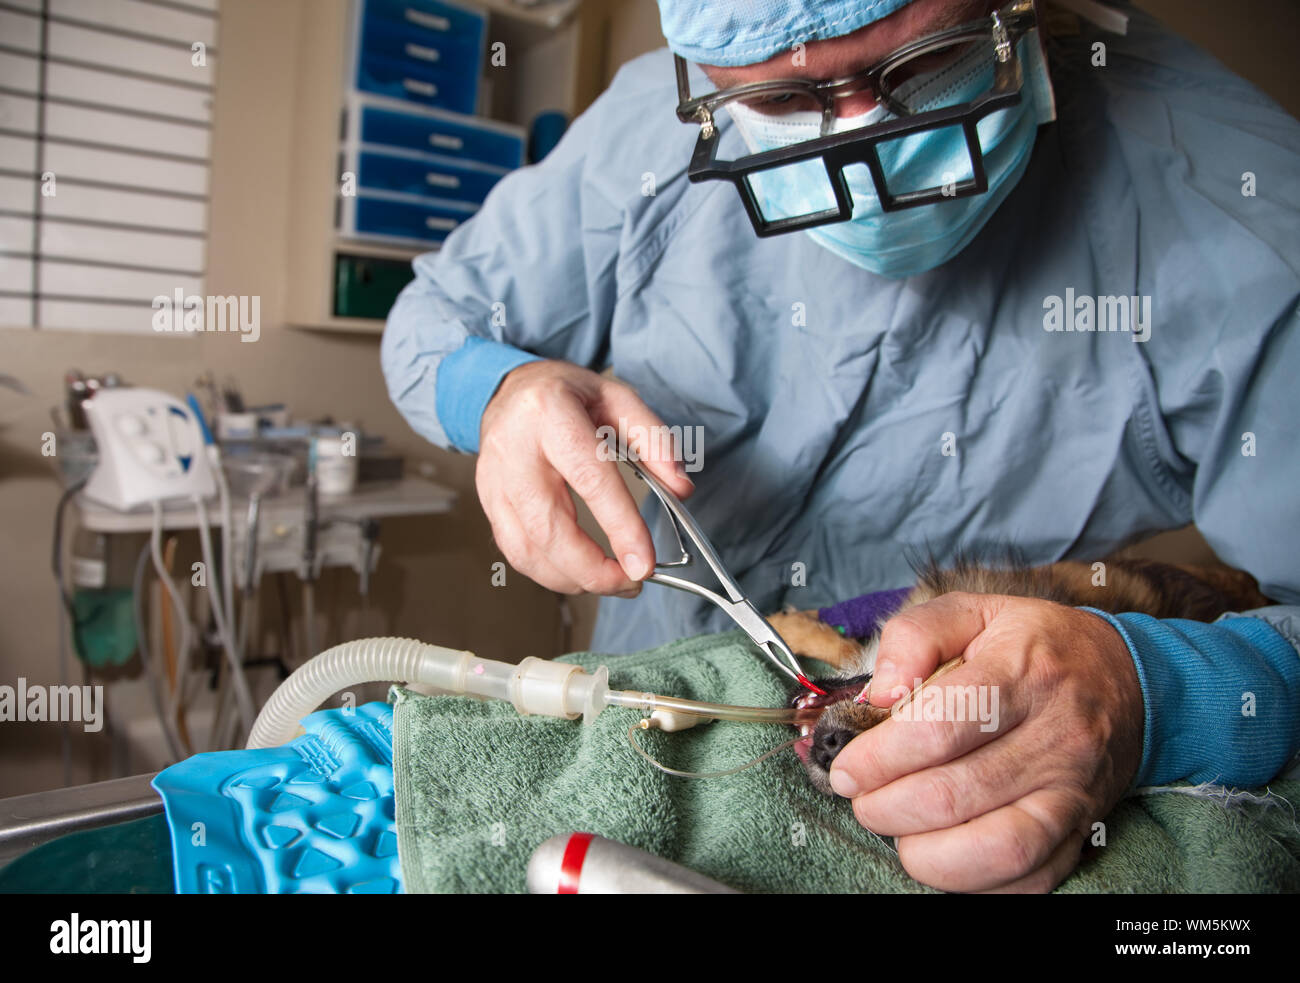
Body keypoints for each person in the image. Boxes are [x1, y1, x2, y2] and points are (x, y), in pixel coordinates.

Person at [382, 0, 1300, 891]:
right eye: (782, 102)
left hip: (957, 749)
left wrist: (1145, 694)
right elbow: (433, 321)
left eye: (920, 69)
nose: (857, 150)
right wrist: (501, 390)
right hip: (654, 693)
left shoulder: (1241, 206)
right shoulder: (651, 126)